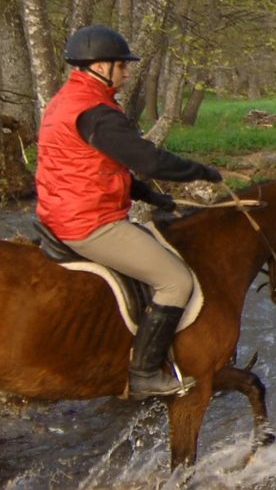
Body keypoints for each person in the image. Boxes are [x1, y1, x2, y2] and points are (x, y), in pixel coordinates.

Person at [36, 25, 225, 397]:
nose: (125, 74)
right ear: (100, 66)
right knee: (176, 281)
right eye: (122, 67)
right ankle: (144, 374)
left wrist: (148, 196)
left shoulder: (66, 101)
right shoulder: (97, 112)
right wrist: (199, 171)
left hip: (62, 209)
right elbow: (148, 160)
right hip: (88, 222)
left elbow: (89, 166)